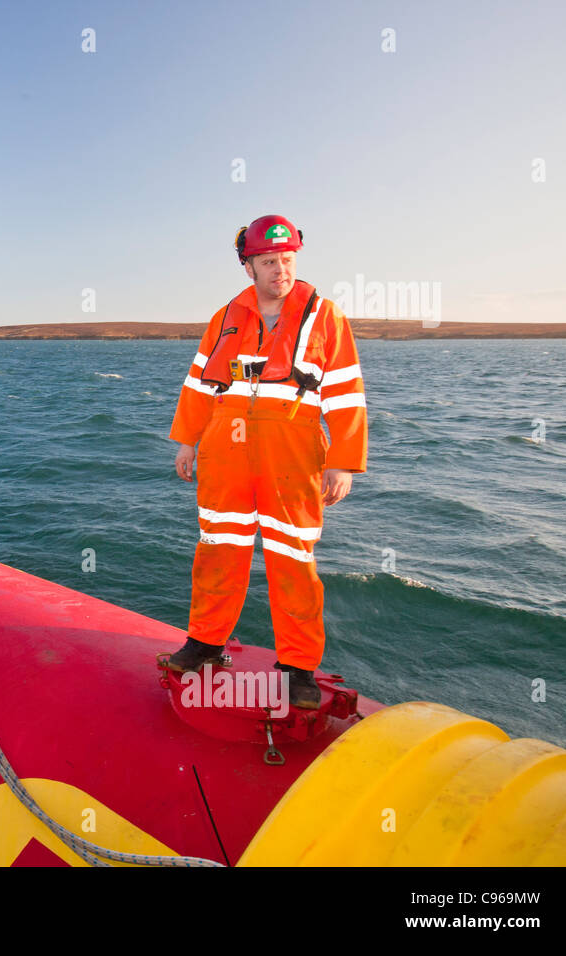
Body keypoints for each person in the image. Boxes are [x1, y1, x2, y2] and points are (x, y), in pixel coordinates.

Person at [164, 215, 368, 709]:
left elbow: (345, 393)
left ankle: (297, 668)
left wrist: (343, 461)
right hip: (225, 448)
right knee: (217, 547)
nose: (281, 270)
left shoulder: (327, 317)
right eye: (270, 261)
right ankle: (205, 645)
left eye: (288, 260)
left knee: (294, 561)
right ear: (249, 266)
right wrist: (187, 440)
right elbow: (198, 383)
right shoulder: (225, 317)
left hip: (292, 452)